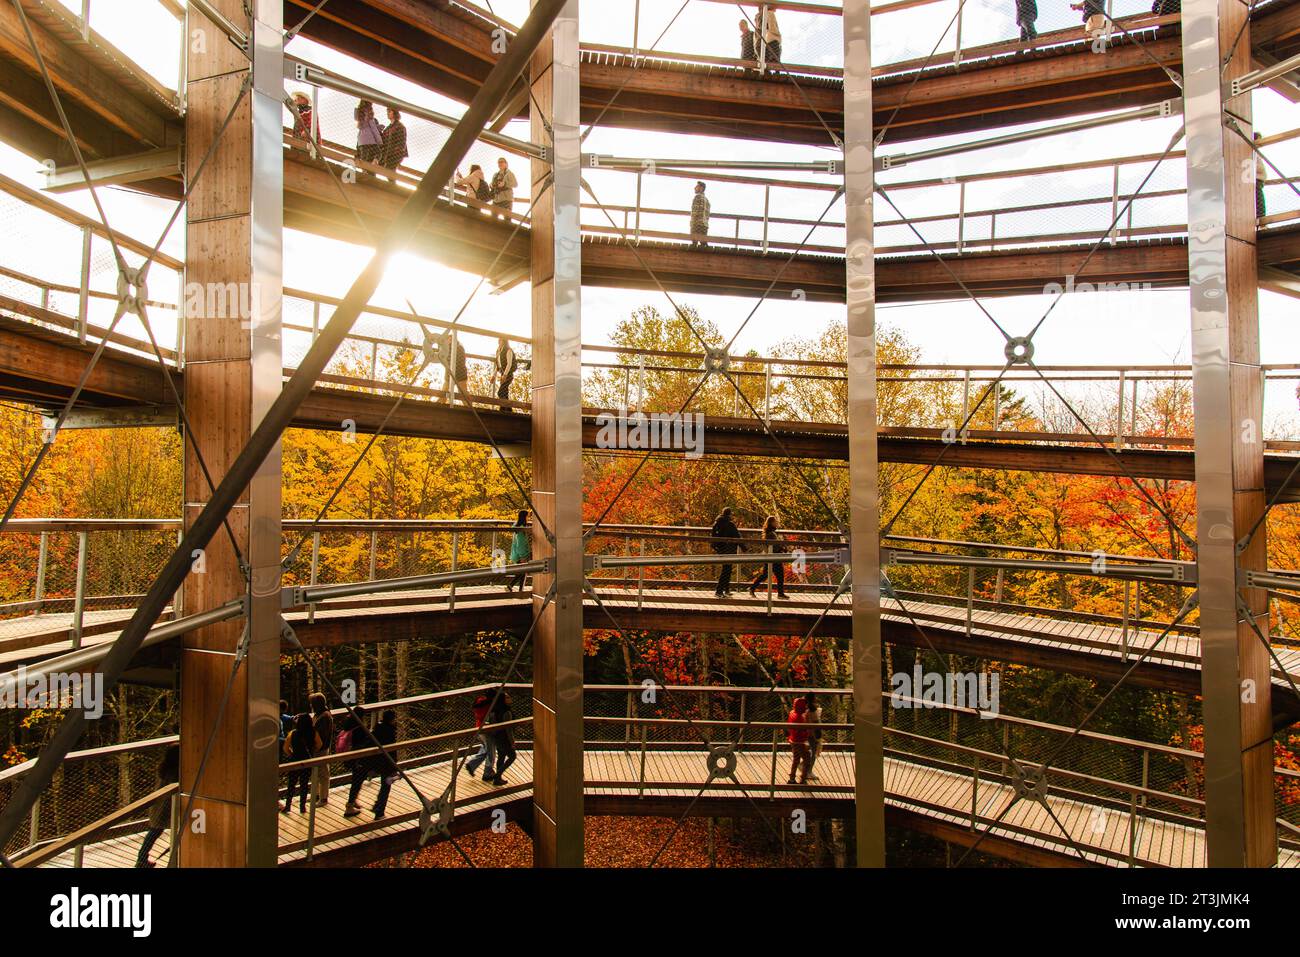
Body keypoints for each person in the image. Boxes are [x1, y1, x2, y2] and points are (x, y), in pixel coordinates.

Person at [135, 743, 179, 867]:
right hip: (168, 805)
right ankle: (142, 860)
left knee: (154, 831)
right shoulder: (175, 772)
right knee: (157, 831)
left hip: (158, 804)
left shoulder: (163, 767)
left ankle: (142, 859)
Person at [282, 712, 318, 814]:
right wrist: (312, 751)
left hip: (295, 761)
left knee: (291, 784)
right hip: (307, 762)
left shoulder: (293, 733)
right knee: (304, 784)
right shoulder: (313, 732)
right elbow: (319, 744)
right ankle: (302, 807)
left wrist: (292, 754)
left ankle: (288, 806)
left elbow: (285, 748)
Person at [749, 515, 789, 599]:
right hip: (774, 557)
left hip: (771, 557)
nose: (777, 523)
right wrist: (783, 548)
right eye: (775, 522)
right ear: (771, 523)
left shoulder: (770, 532)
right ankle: (780, 594)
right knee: (779, 575)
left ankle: (752, 588)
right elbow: (774, 546)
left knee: (765, 575)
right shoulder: (771, 533)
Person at [464, 692, 497, 780]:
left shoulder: (479, 702)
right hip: (486, 730)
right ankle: (488, 772)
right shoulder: (488, 705)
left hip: (479, 728)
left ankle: (471, 765)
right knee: (491, 751)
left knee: (485, 748)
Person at [309, 692, 333, 807]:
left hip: (321, 748)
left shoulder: (324, 717)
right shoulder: (319, 714)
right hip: (317, 748)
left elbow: (320, 735)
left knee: (323, 773)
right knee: (316, 773)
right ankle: (316, 794)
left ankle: (323, 798)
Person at [711, 507, 741, 597]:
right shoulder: (730, 524)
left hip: (721, 549)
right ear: (729, 514)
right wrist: (744, 547)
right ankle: (719, 591)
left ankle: (726, 589)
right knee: (727, 570)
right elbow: (737, 536)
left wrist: (715, 546)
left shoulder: (716, 523)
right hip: (729, 549)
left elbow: (713, 535)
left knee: (727, 569)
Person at [488, 693, 517, 785]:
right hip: (504, 738)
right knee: (512, 756)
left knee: (501, 756)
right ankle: (497, 775)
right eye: (507, 697)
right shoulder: (507, 712)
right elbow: (508, 729)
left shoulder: (494, 711)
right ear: (503, 700)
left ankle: (497, 779)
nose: (510, 698)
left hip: (497, 737)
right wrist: (512, 741)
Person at [786, 696, 811, 785]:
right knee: (808, 759)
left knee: (796, 759)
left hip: (792, 740)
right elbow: (801, 731)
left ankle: (792, 779)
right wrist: (807, 734)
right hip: (799, 741)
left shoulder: (792, 713)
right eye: (804, 706)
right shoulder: (800, 718)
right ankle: (803, 780)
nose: (806, 707)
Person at [379, 107, 408, 180]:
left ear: (395, 113)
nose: (387, 113)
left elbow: (402, 143)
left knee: (390, 173)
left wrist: (397, 155)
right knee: (388, 173)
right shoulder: (388, 128)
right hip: (387, 154)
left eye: (389, 111)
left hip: (394, 154)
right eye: (387, 111)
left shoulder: (400, 127)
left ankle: (392, 188)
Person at [441, 328, 468, 405]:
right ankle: (438, 407)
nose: (448, 341)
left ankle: (469, 410)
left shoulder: (458, 348)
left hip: (460, 374)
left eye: (450, 339)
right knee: (444, 392)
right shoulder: (448, 348)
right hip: (451, 373)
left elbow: (459, 361)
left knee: (463, 394)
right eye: (448, 340)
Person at [354, 99, 383, 170]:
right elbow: (374, 129)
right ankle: (374, 163)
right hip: (370, 141)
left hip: (362, 143)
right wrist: (379, 141)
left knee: (365, 160)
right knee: (379, 153)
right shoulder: (369, 115)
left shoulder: (360, 117)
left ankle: (365, 170)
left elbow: (360, 133)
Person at [508, 510, 531, 593]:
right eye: (527, 517)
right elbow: (520, 544)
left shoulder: (516, 526)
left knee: (522, 571)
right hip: (521, 554)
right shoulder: (521, 530)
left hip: (516, 553)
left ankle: (520, 588)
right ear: (524, 517)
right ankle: (512, 585)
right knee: (522, 571)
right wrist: (523, 556)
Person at [494, 336, 518, 411]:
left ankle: (503, 408)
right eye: (498, 340)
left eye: (500, 340)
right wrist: (493, 376)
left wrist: (505, 375)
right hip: (502, 373)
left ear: (504, 341)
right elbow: (498, 365)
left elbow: (509, 364)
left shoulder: (508, 350)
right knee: (504, 392)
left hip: (508, 374)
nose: (498, 342)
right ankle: (508, 410)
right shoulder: (498, 351)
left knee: (501, 392)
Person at [805, 691, 823, 782]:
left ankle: (806, 767)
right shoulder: (812, 710)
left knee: (812, 750)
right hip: (813, 734)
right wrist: (818, 735)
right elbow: (816, 723)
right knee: (814, 751)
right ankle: (808, 770)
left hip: (808, 732)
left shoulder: (806, 708)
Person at [690, 181, 710, 249]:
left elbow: (696, 211)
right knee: (703, 244)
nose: (694, 188)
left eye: (697, 186)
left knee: (694, 244)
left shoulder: (698, 197)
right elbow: (707, 215)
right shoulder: (707, 200)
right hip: (705, 225)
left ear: (701, 188)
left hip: (697, 223)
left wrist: (692, 223)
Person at [1256, 132, 1267, 219]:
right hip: (1256, 180)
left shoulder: (1256, 153)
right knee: (1259, 202)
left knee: (1259, 201)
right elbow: (1258, 168)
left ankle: (1261, 218)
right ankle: (1261, 218)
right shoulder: (1254, 154)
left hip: (1259, 180)